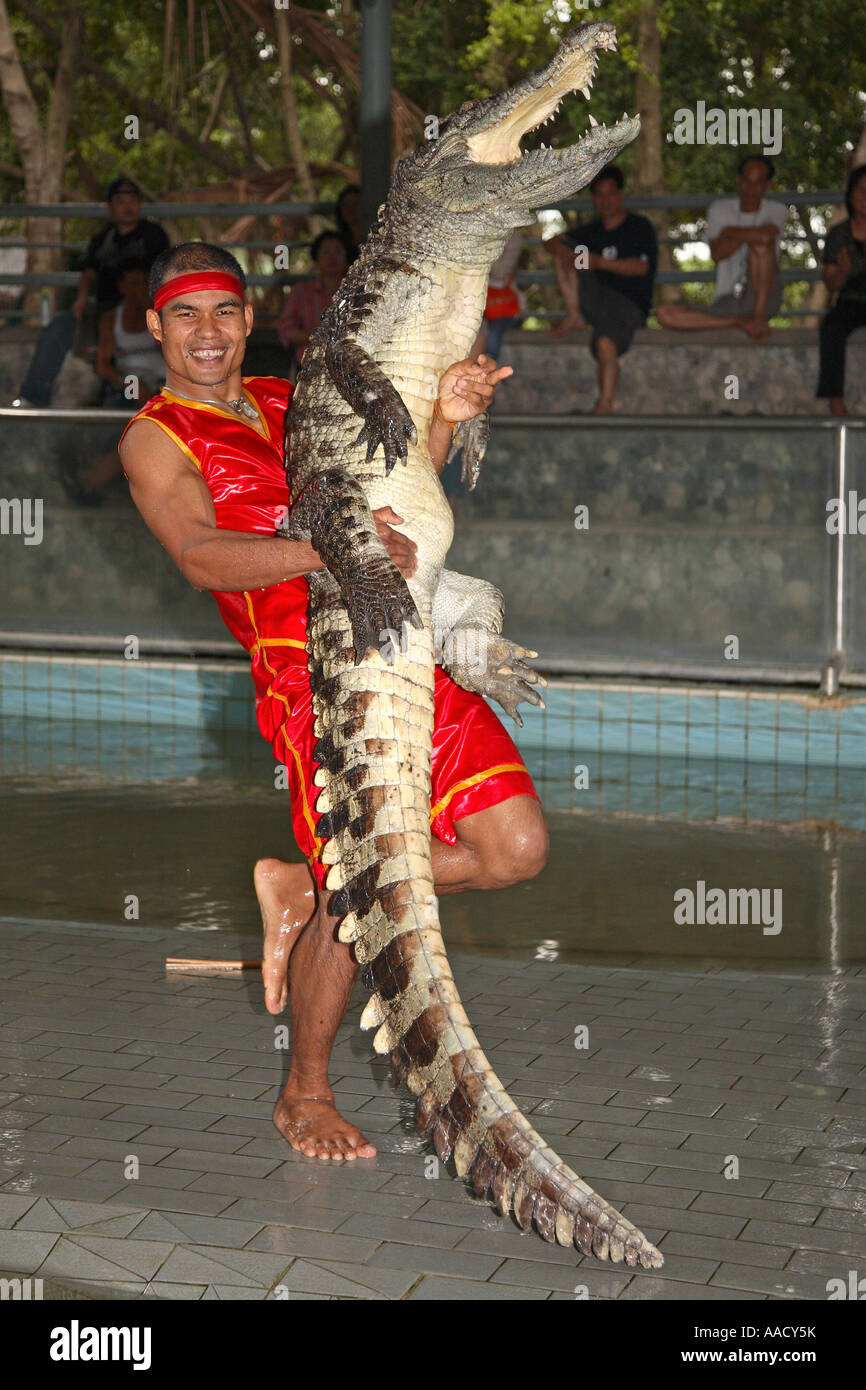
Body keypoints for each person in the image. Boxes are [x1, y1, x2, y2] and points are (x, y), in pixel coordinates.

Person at [119, 242, 548, 1163]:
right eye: (185, 315)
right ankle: (303, 1094)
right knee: (360, 894)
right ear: (155, 326)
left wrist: (444, 415)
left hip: (398, 637)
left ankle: (308, 885)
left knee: (513, 850)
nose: (208, 333)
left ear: (247, 317)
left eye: (224, 312)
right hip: (307, 670)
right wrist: (327, 555)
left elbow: (399, 492)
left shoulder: (290, 399)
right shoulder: (156, 437)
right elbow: (199, 556)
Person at [13, 177, 170, 408]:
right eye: (121, 201)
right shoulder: (102, 240)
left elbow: (166, 272)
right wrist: (82, 299)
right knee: (58, 330)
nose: (127, 207)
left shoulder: (153, 234)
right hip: (104, 310)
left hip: (145, 310)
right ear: (110, 207)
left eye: (132, 201)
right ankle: (33, 398)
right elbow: (89, 274)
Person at [547, 164, 657, 413]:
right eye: (600, 194)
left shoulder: (639, 227)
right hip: (594, 300)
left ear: (621, 195)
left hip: (627, 303)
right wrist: (565, 251)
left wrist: (599, 262)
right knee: (566, 252)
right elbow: (552, 242)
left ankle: (606, 402)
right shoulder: (590, 231)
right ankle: (574, 314)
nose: (605, 200)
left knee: (606, 342)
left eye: (611, 193)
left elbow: (641, 268)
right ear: (593, 198)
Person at [657, 155, 787, 340]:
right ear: (739, 180)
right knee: (664, 314)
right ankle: (739, 322)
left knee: (760, 248)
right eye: (747, 182)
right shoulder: (719, 209)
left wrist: (729, 231)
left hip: (763, 299)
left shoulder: (776, 210)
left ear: (767, 185)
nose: (751, 189)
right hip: (727, 301)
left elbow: (765, 237)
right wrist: (751, 235)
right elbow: (718, 254)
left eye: (758, 183)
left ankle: (758, 318)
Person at [817, 164, 866, 416]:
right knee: (832, 327)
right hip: (851, 300)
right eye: (861, 190)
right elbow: (830, 284)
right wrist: (844, 272)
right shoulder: (839, 234)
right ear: (850, 194)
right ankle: (835, 400)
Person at [277, 230, 348, 373]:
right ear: (316, 257)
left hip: (348, 367)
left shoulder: (356, 291)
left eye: (338, 252)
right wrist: (316, 335)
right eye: (326, 252)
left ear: (347, 256)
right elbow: (286, 330)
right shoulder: (301, 291)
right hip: (308, 367)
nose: (332, 258)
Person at [471, 230, 525, 363]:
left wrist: (484, 249)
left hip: (497, 306)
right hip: (473, 301)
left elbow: (500, 273)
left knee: (492, 332)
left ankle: (487, 370)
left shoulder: (512, 235)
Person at [334, 184, 361, 264]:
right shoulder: (339, 243)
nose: (351, 209)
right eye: (346, 205)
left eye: (355, 204)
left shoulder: (380, 238)